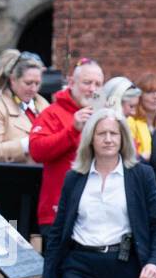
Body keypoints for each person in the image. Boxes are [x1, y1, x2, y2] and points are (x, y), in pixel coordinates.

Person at [40, 108, 156, 278]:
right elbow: (57, 233)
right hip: (80, 267)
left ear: (122, 138)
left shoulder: (141, 175)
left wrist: (155, 263)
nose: (108, 139)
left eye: (114, 133)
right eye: (101, 134)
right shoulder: (75, 177)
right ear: (90, 139)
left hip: (126, 267)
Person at [30, 59, 103, 233]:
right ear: (71, 82)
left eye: (98, 84)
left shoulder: (104, 115)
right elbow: (37, 150)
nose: (93, 89)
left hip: (99, 213)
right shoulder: (52, 113)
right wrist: (72, 131)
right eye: (87, 83)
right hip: (59, 212)